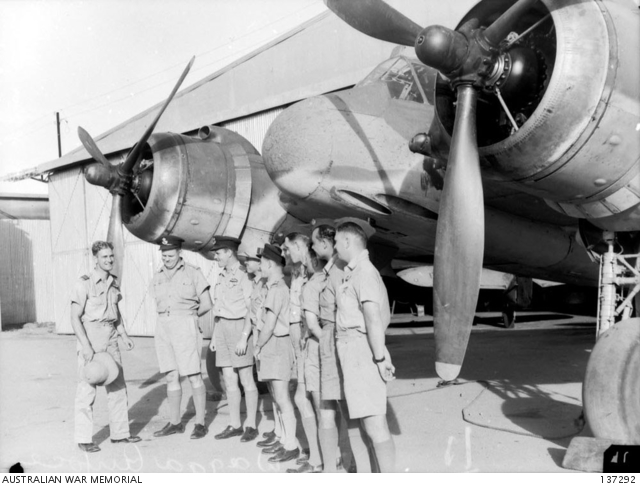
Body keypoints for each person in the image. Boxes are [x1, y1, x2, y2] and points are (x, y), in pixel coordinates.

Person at [334, 217, 397, 473]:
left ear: (348, 240)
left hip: (362, 351)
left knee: (374, 423)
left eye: (337, 241)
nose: (335, 247)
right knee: (358, 421)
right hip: (351, 351)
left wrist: (381, 359)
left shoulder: (365, 273)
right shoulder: (352, 273)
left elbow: (372, 319)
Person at [71, 240, 141, 453]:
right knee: (87, 388)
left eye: (111, 256)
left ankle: (120, 434)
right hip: (91, 337)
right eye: (104, 257)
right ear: (95, 259)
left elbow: (116, 314)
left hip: (110, 338)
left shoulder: (113, 283)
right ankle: (83, 438)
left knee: (118, 386)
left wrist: (123, 334)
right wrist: (85, 345)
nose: (109, 259)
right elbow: (74, 317)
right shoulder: (84, 284)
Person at [311, 222, 368, 472]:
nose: (314, 247)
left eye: (315, 243)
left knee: (341, 408)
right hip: (330, 340)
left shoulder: (337, 271)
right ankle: (339, 468)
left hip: (335, 341)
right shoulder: (330, 269)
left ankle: (347, 466)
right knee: (334, 408)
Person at [151, 236, 212, 440]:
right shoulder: (158, 275)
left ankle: (200, 423)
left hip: (185, 324)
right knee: (171, 375)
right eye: (164, 255)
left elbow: (207, 303)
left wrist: (191, 318)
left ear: (179, 253)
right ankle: (175, 422)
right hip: (163, 327)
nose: (166, 259)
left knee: (194, 375)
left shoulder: (193, 273)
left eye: (170, 255)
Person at [209, 237, 259, 443]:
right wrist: (214, 335)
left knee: (246, 378)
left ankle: (251, 425)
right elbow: (218, 308)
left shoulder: (244, 276)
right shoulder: (220, 275)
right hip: (221, 328)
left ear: (229, 252)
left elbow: (251, 309)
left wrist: (244, 337)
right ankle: (235, 424)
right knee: (229, 380)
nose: (215, 256)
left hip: (239, 327)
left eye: (218, 252)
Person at [254, 243, 300, 463]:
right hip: (273, 346)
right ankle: (283, 438)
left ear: (270, 263)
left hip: (276, 345)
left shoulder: (277, 289)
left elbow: (270, 325)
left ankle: (290, 445)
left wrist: (257, 345)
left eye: (261, 262)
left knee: (282, 398)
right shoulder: (274, 287)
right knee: (276, 395)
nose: (259, 265)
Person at [282, 232, 322, 472]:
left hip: (309, 338)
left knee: (311, 398)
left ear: (299, 246)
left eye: (288, 249)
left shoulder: (314, 272)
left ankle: (322, 456)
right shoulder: (298, 271)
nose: (285, 253)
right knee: (305, 397)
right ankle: (319, 454)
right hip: (300, 336)